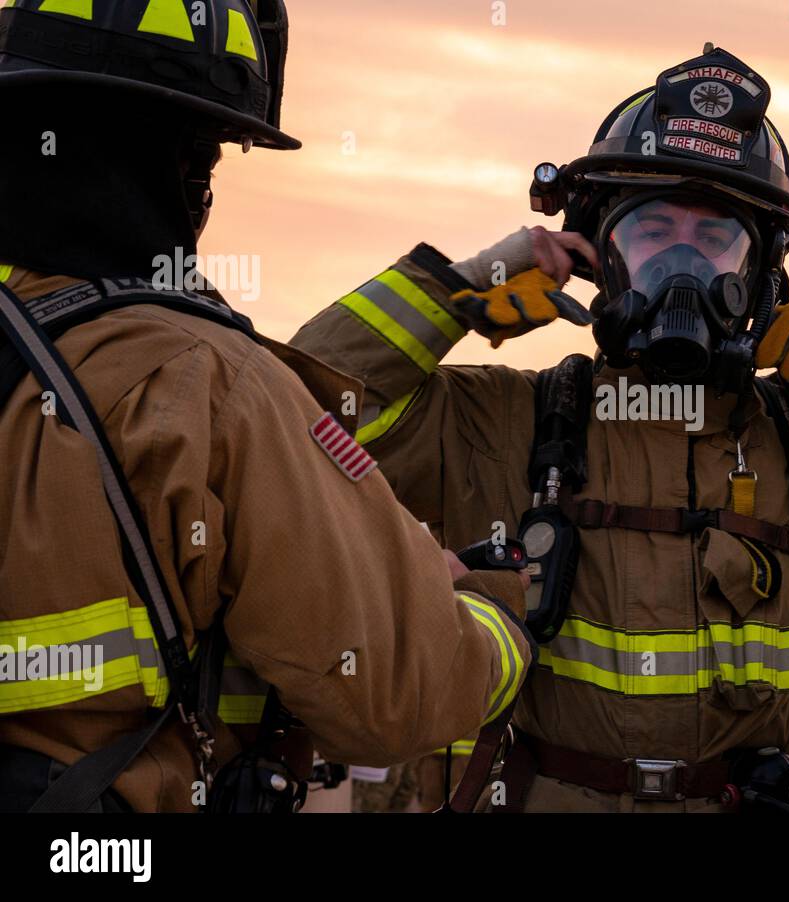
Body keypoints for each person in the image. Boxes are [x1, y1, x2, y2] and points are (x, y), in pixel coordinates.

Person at [291, 44, 789, 813]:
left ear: (760, 276)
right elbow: (304, 410)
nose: (683, 265)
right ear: (601, 257)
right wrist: (457, 293)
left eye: (713, 242)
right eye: (654, 232)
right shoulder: (502, 426)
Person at [0, 0, 532, 813]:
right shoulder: (207, 381)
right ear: (185, 171)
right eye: (207, 162)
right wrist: (487, 613)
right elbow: (394, 698)